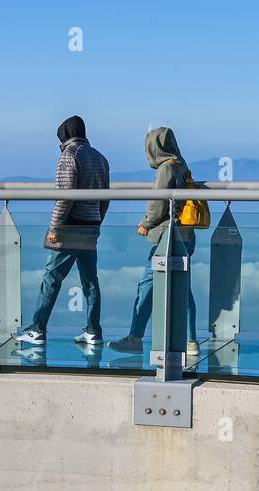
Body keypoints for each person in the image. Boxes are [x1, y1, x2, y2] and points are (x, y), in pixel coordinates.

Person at [13, 115, 110, 347]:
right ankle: (93, 330)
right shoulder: (100, 157)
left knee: (52, 277)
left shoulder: (69, 156)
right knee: (90, 281)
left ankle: (37, 329)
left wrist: (54, 228)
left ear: (64, 135)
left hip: (70, 227)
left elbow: (64, 198)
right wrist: (98, 221)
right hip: (91, 225)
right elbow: (105, 197)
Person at [109, 126, 199, 356]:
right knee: (182, 290)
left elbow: (158, 203)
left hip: (167, 238)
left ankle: (135, 338)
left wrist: (145, 224)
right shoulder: (182, 165)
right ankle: (191, 341)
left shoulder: (166, 169)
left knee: (147, 286)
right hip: (185, 235)